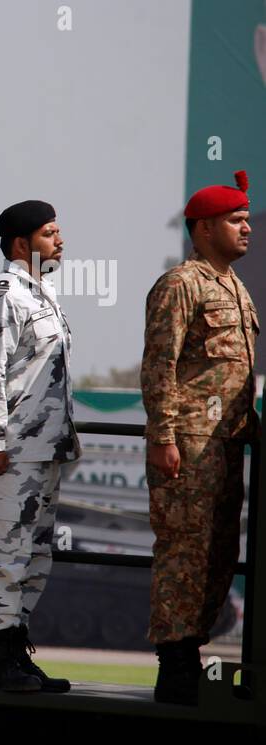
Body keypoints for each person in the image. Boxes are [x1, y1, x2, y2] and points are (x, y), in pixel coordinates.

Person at [141, 170, 256, 706]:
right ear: (204, 228)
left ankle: (195, 648)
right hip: (187, 445)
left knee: (219, 554)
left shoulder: (236, 287)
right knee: (184, 553)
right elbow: (159, 365)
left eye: (247, 219)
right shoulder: (181, 284)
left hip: (226, 447)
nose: (247, 228)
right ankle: (176, 661)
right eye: (236, 220)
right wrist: (162, 436)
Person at [0, 201, 80, 693]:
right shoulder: (4, 294)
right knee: (5, 554)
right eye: (50, 233)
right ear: (21, 245)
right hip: (11, 452)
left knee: (35, 556)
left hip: (45, 449)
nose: (60, 241)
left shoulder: (46, 295)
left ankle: (17, 649)